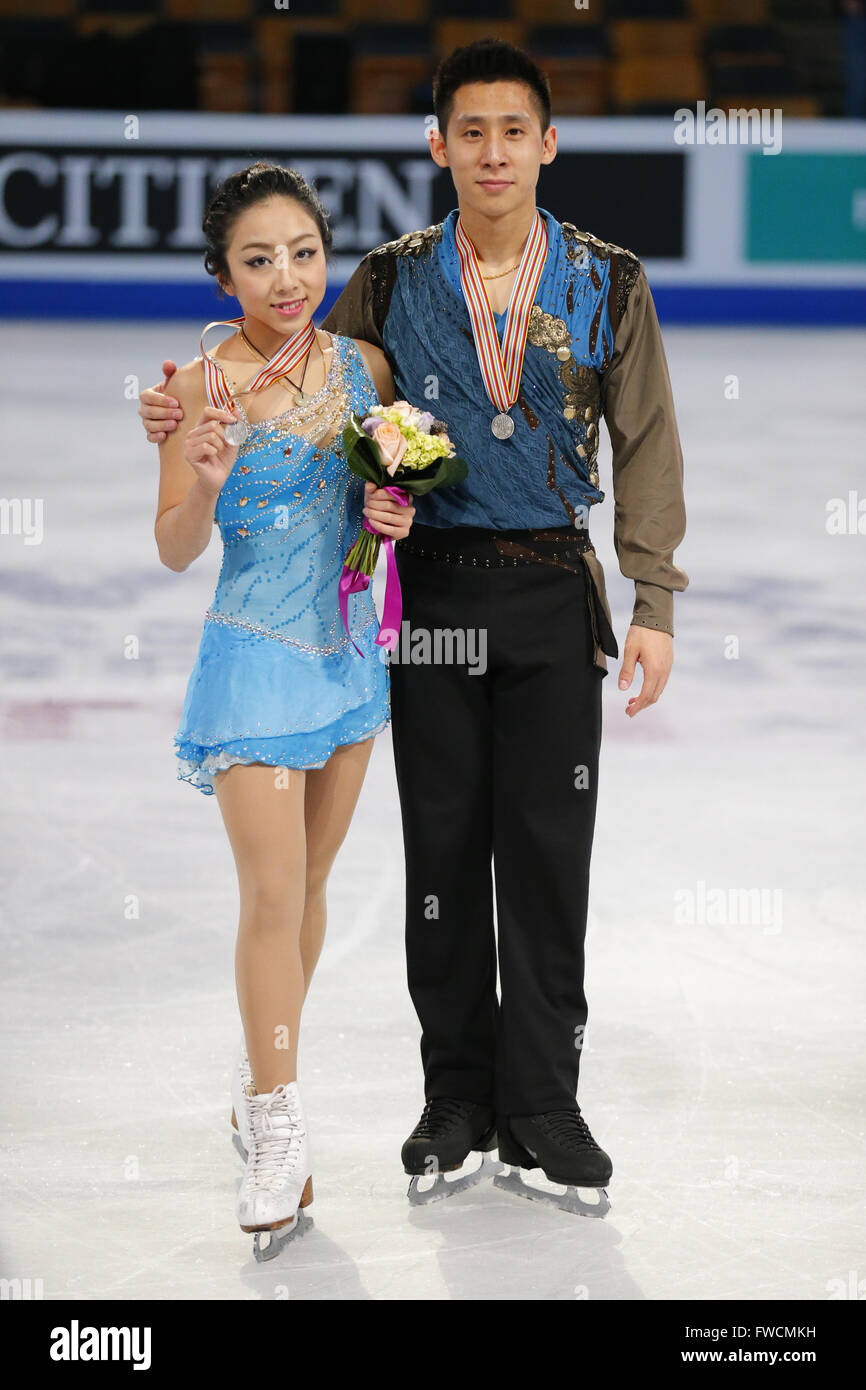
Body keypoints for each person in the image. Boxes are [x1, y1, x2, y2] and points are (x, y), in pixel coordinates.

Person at [140, 40, 689, 1211]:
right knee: (440, 851)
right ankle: (453, 1100)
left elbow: (645, 441)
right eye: (468, 131)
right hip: (425, 597)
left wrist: (653, 598)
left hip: (551, 589)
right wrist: (173, 408)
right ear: (436, 145)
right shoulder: (386, 283)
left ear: (548, 141)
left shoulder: (608, 278)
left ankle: (544, 1105)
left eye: (514, 130)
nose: (492, 151)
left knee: (548, 853)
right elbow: (295, 365)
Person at [151, 162, 414, 1253]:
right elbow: (171, 547)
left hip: (349, 652)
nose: (286, 275)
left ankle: (260, 1072)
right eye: (258, 260)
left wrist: (392, 508)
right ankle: (277, 1123)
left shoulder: (362, 363)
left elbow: (386, 488)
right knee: (268, 891)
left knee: (308, 881)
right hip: (252, 656)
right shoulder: (199, 387)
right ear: (224, 275)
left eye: (302, 251)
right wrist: (202, 482)